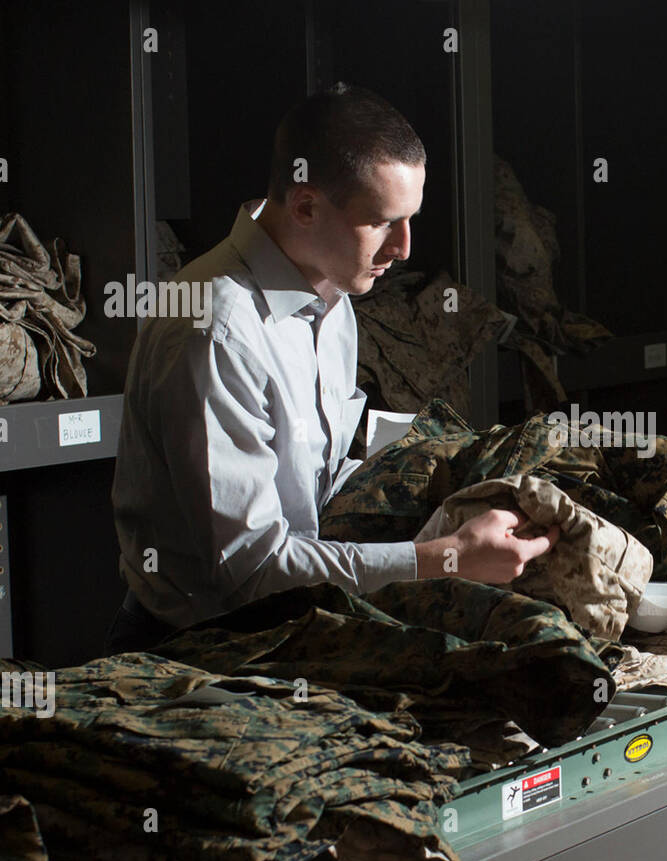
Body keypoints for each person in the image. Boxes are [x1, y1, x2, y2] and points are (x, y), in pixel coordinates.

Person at [107, 83, 556, 652]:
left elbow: (313, 491)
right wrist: (445, 559)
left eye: (411, 218)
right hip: (190, 654)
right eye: (383, 222)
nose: (406, 247)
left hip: (291, 628)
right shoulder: (215, 329)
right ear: (305, 205)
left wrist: (440, 481)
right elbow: (251, 571)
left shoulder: (332, 300)